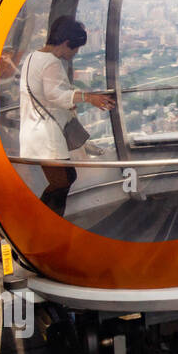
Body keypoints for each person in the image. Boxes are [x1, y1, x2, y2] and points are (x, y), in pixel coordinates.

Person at [18, 16, 115, 215]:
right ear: (66, 43)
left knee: (65, 177)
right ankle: (43, 221)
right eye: (76, 48)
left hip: (33, 129)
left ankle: (46, 221)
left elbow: (48, 92)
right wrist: (88, 97)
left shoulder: (33, 57)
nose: (76, 53)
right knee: (62, 180)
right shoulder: (51, 62)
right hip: (45, 133)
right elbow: (55, 94)